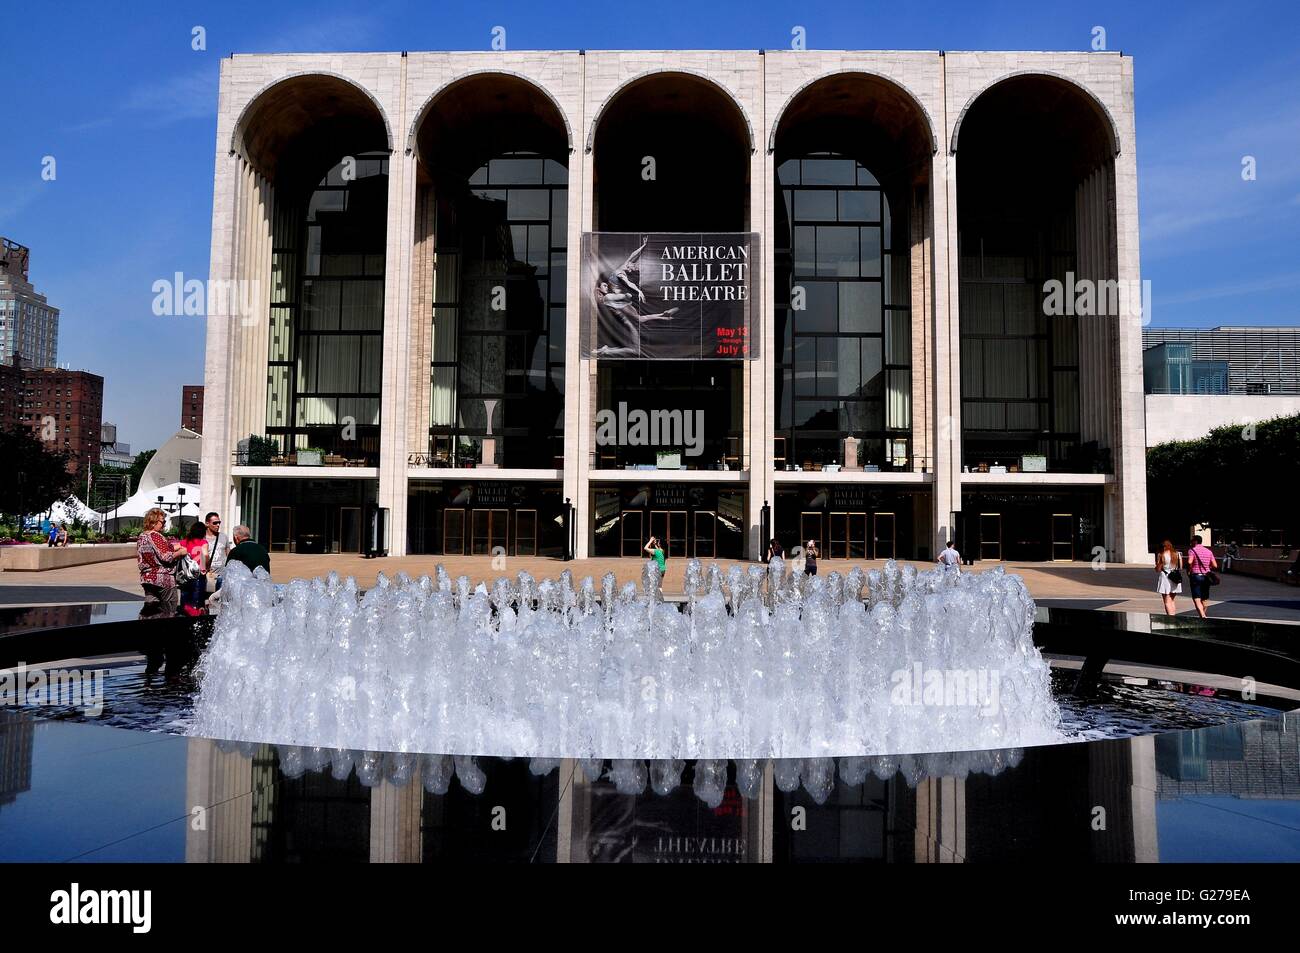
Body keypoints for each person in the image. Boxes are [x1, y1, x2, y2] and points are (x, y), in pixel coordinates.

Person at [137, 507, 187, 619]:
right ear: (153, 521)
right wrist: (181, 552)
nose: (164, 524)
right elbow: (166, 557)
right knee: (169, 610)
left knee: (149, 612)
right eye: (162, 521)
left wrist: (173, 547)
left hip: (148, 579)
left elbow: (157, 551)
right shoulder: (155, 535)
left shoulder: (142, 536)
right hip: (163, 579)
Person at [178, 521, 210, 616]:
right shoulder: (203, 542)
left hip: (186, 575)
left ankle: (185, 613)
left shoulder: (184, 542)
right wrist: (206, 566)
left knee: (185, 597)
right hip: (199, 574)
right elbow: (205, 554)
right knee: (198, 600)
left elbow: (173, 548)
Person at [1185, 535, 1218, 620]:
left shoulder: (1192, 550)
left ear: (1195, 541)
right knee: (1205, 598)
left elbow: (1189, 562)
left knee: (1197, 598)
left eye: (1192, 541)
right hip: (1206, 577)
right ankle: (1202, 615)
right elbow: (1215, 565)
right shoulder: (1208, 551)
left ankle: (1203, 616)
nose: (1191, 542)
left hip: (1195, 576)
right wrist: (1208, 567)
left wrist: (1189, 570)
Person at [203, 511, 233, 591]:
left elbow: (229, 555)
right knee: (206, 600)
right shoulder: (202, 538)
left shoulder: (224, 537)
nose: (218, 525)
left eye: (219, 522)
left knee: (219, 600)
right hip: (206, 575)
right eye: (215, 523)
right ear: (207, 524)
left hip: (222, 575)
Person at [1155, 539, 1183, 615]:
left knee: (1167, 601)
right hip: (1175, 577)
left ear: (1163, 547)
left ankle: (1171, 618)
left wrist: (1157, 566)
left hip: (1165, 578)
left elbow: (1158, 569)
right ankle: (1173, 615)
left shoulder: (1161, 555)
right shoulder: (1177, 554)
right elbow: (1181, 567)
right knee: (1172, 600)